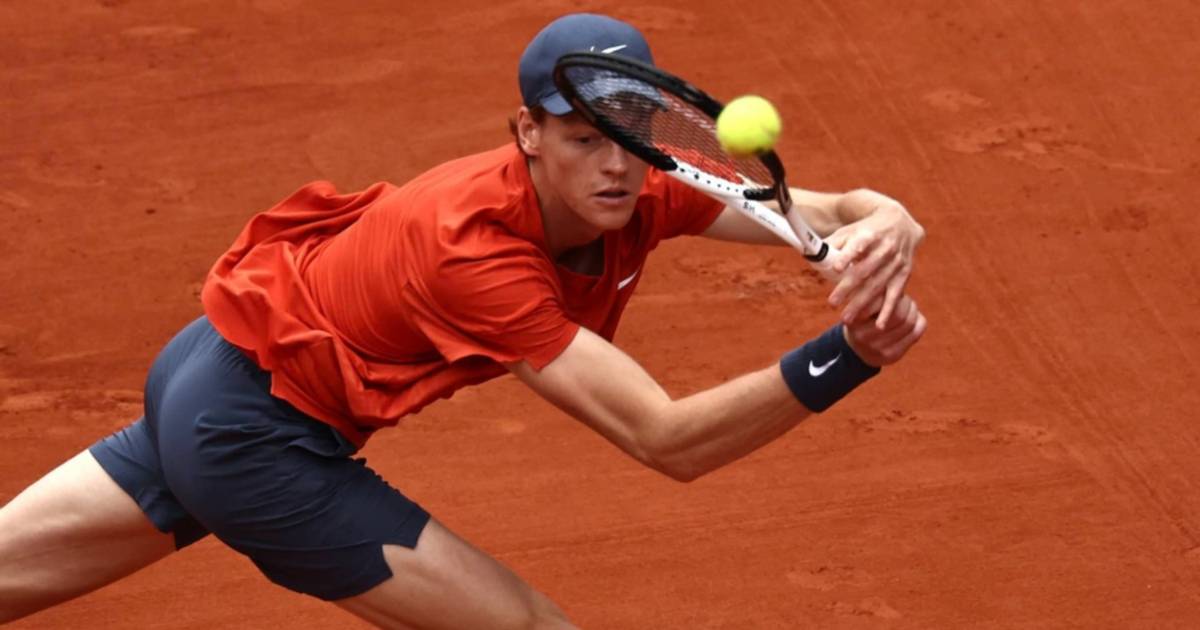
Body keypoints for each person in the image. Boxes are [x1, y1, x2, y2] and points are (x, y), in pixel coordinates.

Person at [0, 12, 926, 630]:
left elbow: (840, 206)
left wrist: (888, 221)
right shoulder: (475, 252)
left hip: (211, 379)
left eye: (628, 139)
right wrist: (847, 355)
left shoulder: (642, 182)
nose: (613, 169)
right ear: (527, 134)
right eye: (582, 142)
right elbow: (665, 439)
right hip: (255, 439)